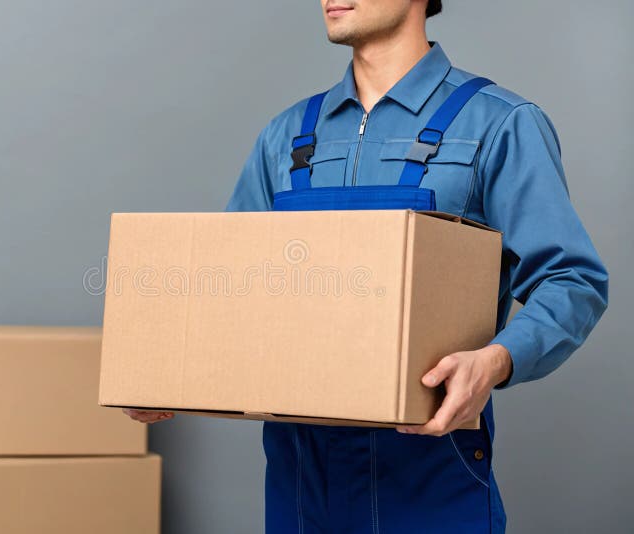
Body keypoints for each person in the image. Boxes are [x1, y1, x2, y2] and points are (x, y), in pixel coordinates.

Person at [124, 1, 609, 532]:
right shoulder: (286, 137)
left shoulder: (499, 124)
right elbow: (235, 289)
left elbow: (572, 281)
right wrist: (166, 370)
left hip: (429, 472)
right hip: (300, 481)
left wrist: (496, 360)